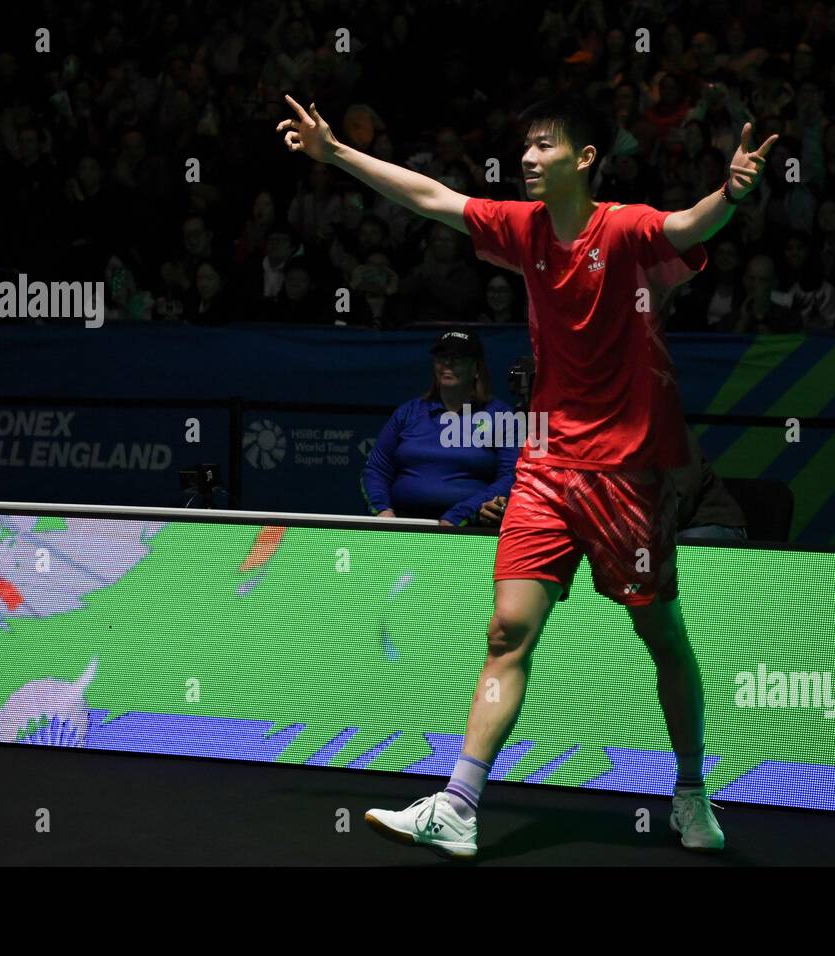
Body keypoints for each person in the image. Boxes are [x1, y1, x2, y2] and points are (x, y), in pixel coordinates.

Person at [279, 91, 774, 858]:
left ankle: (689, 792)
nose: (528, 159)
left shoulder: (627, 228)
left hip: (626, 475)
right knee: (508, 629)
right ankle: (459, 803)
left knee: (661, 633)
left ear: (583, 159)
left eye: (545, 146)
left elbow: (687, 227)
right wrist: (335, 153)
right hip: (546, 464)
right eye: (525, 147)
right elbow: (431, 198)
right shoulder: (523, 228)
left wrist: (729, 192)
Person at [361, 330, 517, 526]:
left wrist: (460, 515)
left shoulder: (502, 416)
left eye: (458, 357)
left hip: (469, 528)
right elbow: (376, 469)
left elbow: (511, 477)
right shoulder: (408, 412)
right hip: (403, 523)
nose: (448, 363)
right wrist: (383, 510)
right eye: (442, 357)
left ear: (476, 368)